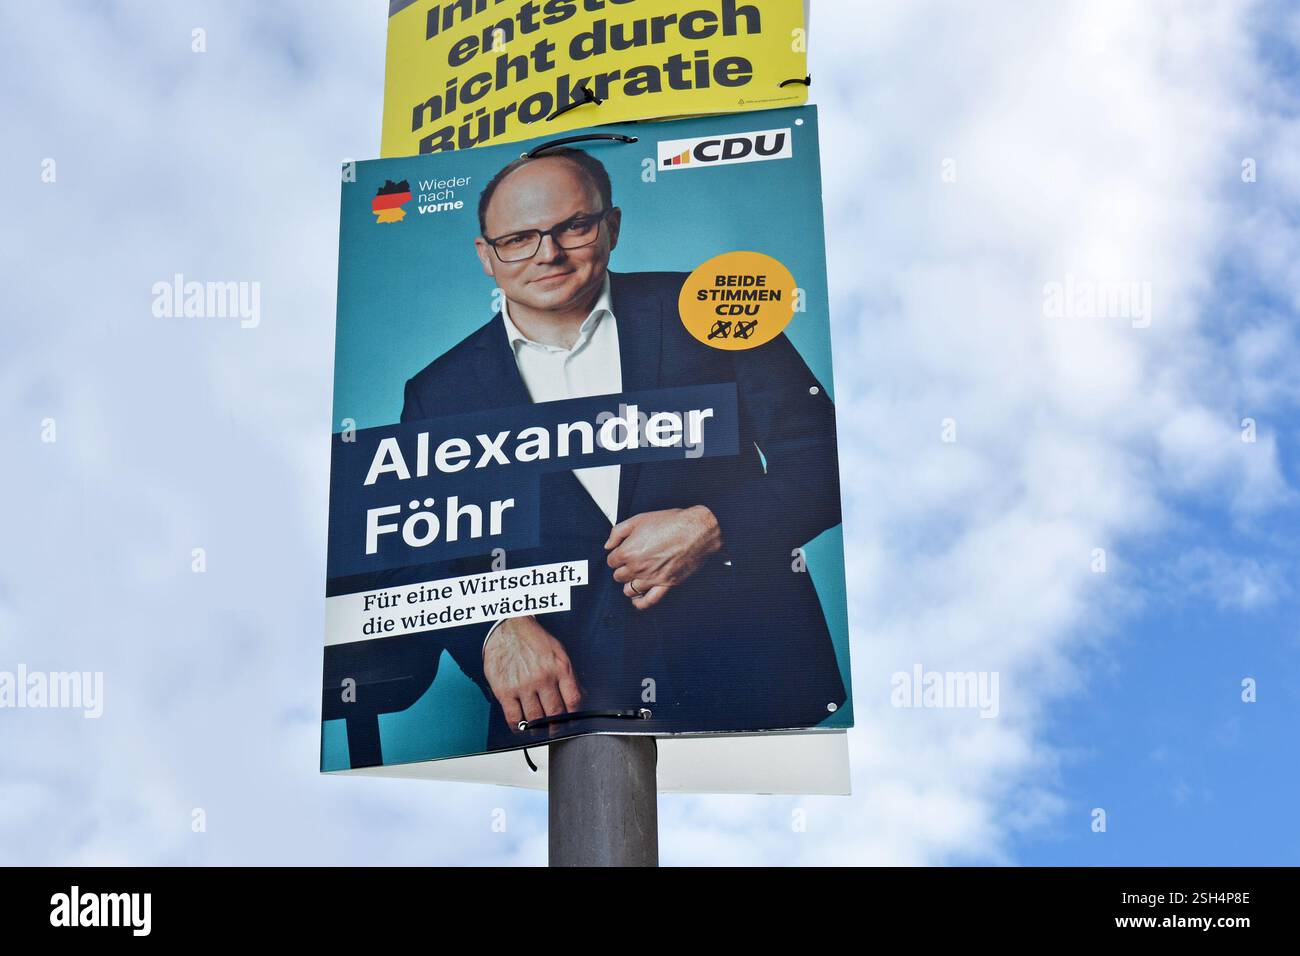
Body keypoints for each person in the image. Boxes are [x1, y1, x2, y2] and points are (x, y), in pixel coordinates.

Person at [396, 147, 846, 749]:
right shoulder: (436, 393)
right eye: (519, 239)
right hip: (560, 714)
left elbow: (828, 458)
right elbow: (417, 549)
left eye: (573, 227)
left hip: (752, 683)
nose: (547, 254)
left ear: (611, 226)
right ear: (486, 256)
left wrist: (714, 525)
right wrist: (493, 628)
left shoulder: (711, 310)